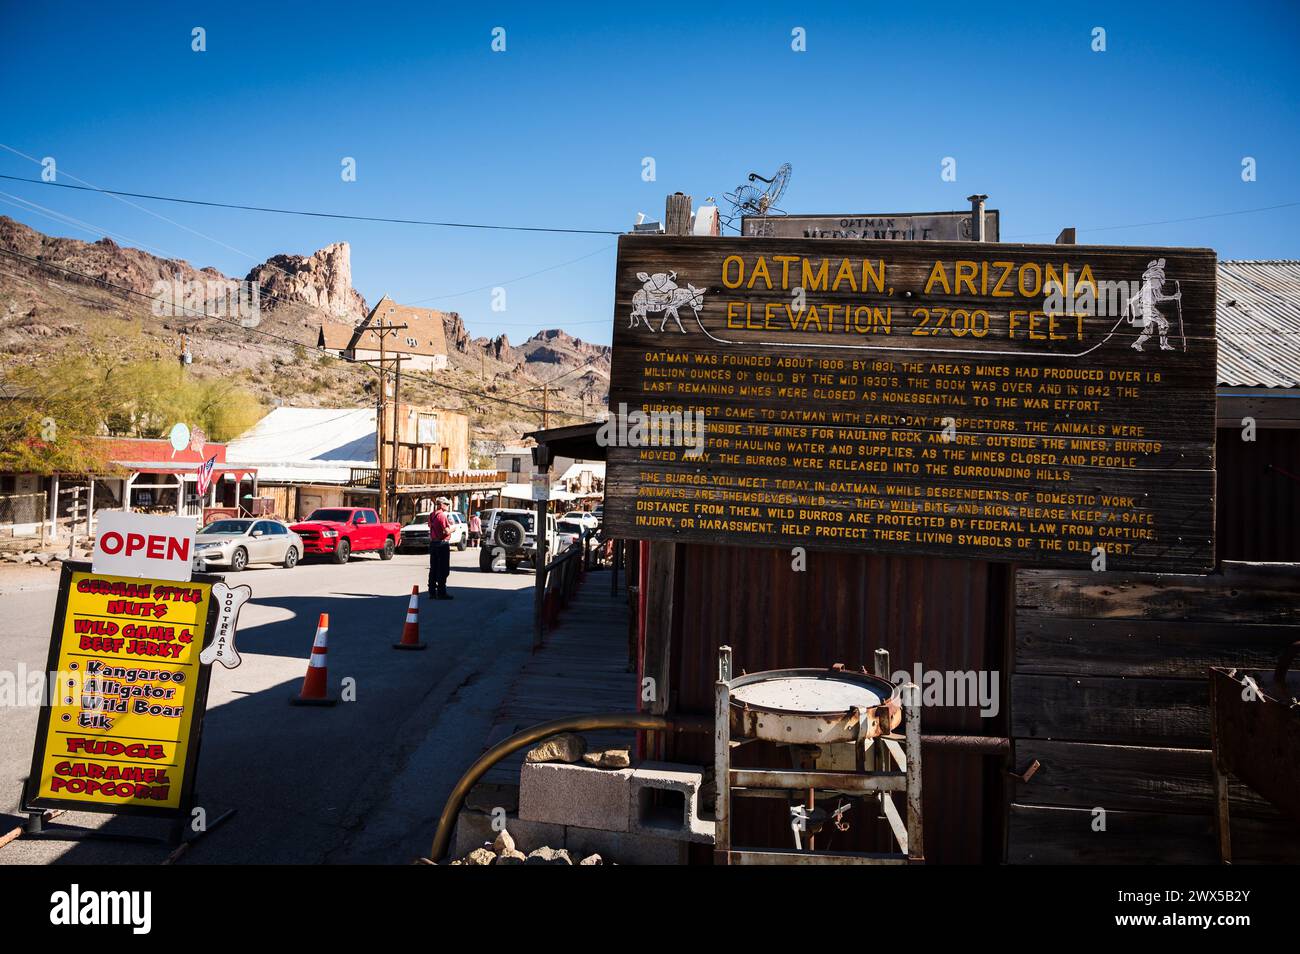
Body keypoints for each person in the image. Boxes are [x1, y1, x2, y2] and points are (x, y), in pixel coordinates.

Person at [428, 497, 454, 600]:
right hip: (442, 544)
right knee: (443, 569)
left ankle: (432, 592)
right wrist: (453, 529)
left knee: (433, 568)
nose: (447, 506)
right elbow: (446, 531)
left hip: (433, 543)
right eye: (446, 504)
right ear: (441, 505)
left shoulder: (431, 515)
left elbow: (430, 526)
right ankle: (441, 592)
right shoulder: (442, 516)